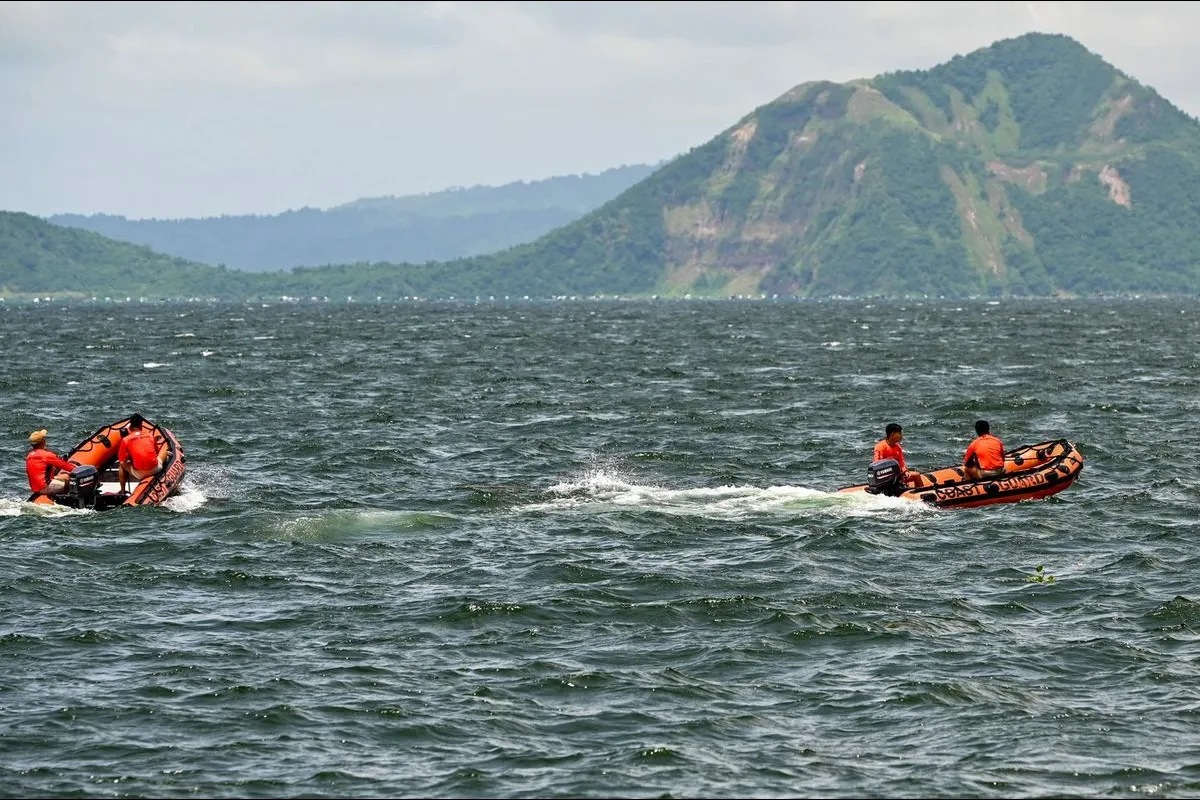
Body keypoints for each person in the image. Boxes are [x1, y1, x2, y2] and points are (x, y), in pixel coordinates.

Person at [117, 413, 164, 494]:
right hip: (155, 469)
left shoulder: (126, 440)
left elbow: (122, 459)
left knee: (121, 465)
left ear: (130, 427)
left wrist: (130, 458)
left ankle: (122, 491)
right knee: (165, 451)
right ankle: (165, 473)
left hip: (140, 474)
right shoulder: (150, 435)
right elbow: (156, 451)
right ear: (141, 425)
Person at [25, 429, 75, 497]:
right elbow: (66, 466)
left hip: (35, 488)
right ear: (43, 441)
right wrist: (79, 469)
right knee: (73, 485)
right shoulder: (47, 455)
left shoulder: (30, 455)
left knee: (66, 476)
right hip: (45, 487)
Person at [873, 422, 918, 486]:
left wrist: (905, 471)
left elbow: (901, 463)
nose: (902, 436)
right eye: (899, 434)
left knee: (916, 475)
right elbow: (877, 464)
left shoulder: (898, 447)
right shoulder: (880, 446)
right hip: (885, 477)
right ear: (892, 435)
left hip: (897, 475)